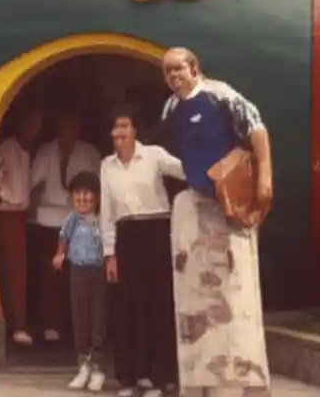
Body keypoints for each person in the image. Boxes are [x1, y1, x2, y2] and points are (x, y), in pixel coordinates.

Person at [159, 47, 273, 396]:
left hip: (231, 204)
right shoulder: (171, 108)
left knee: (235, 290)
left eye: (178, 68)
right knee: (200, 294)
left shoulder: (219, 95)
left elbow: (256, 127)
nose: (173, 76)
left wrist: (264, 177)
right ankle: (202, 377)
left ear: (194, 68)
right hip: (198, 205)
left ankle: (243, 379)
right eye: (167, 71)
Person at [100, 104, 185, 397]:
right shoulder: (106, 165)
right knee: (127, 308)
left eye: (125, 125)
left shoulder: (154, 155)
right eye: (115, 127)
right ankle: (130, 378)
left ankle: (161, 377)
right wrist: (109, 254)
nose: (120, 132)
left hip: (156, 232)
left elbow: (185, 170)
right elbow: (107, 212)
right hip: (126, 236)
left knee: (158, 306)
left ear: (135, 130)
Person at [29, 109, 103, 343]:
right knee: (49, 276)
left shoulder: (89, 152)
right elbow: (32, 185)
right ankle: (51, 324)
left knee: (79, 275)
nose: (68, 130)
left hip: (80, 222)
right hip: (46, 220)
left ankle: (76, 326)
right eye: (64, 125)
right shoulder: (46, 151)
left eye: (72, 125)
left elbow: (99, 188)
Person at [53, 171, 108, 392]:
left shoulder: (102, 220)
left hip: (99, 272)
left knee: (98, 317)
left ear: (96, 198)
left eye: (87, 198)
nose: (82, 202)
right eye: (77, 198)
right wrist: (59, 254)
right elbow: (63, 238)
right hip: (78, 271)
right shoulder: (72, 220)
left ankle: (98, 367)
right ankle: (83, 366)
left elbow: (110, 241)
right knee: (80, 317)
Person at [0, 107, 43, 346]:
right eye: (30, 123)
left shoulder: (30, 151)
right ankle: (16, 325)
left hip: (23, 213)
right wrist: (0, 197)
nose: (33, 129)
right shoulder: (7, 148)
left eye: (37, 124)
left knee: (23, 270)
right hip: (7, 213)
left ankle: (21, 321)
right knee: (13, 270)